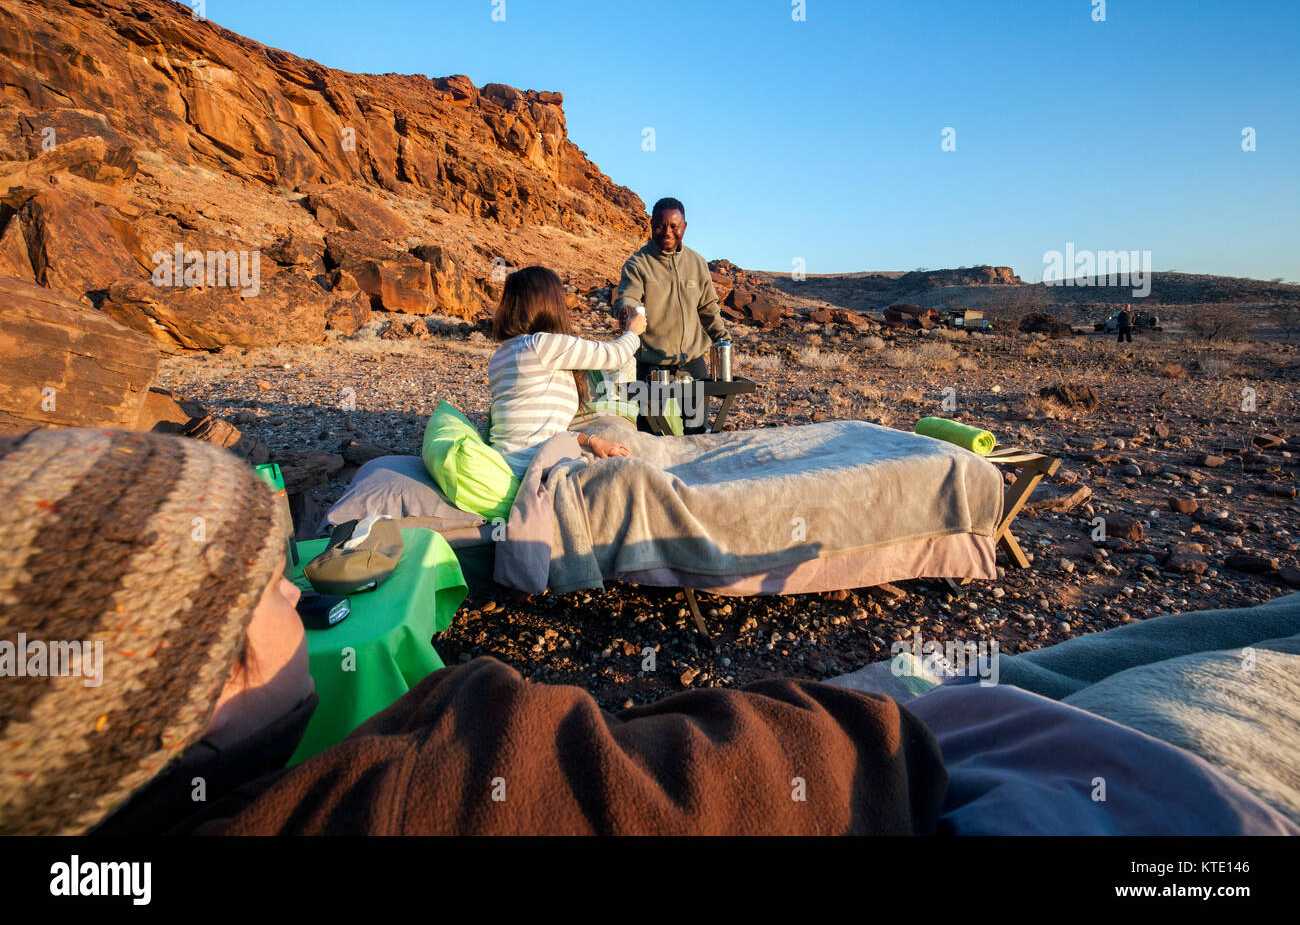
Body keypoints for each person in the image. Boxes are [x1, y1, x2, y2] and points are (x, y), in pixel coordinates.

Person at [0, 428, 947, 835]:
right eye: (262, 588)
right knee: (1010, 690)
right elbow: (824, 766)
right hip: (915, 768)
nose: (293, 595)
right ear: (185, 695)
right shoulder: (423, 795)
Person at [488, 266, 647, 477]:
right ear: (548, 302)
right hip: (531, 469)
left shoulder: (502, 353)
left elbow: (537, 426)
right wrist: (633, 331)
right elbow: (614, 355)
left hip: (505, 463)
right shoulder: (541, 344)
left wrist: (591, 440)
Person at [613, 197, 732, 434]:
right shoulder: (638, 264)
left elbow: (708, 307)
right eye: (660, 225)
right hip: (651, 365)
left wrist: (722, 338)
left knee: (696, 431)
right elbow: (628, 297)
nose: (667, 231)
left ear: (684, 227)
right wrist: (627, 310)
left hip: (692, 361)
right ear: (651, 224)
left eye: (674, 226)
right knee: (651, 432)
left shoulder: (697, 263)